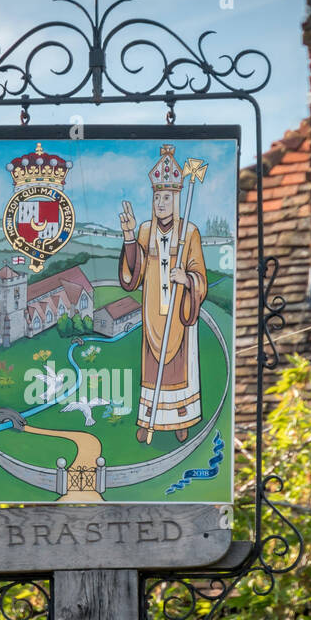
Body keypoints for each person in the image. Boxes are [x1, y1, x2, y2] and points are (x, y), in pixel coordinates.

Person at [118, 145, 207, 443]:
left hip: (179, 315)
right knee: (151, 367)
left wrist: (187, 278)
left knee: (179, 368)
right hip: (153, 314)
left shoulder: (189, 232)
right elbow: (135, 272)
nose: (160, 203)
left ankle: (182, 419)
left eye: (166, 197)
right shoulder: (145, 231)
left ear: (177, 199)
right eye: (157, 197)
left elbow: (200, 276)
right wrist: (129, 236)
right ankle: (149, 420)